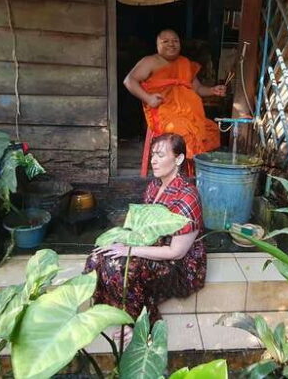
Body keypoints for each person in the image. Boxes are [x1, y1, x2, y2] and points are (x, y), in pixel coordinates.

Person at [84, 133, 207, 335]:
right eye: (152, 155)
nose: (153, 160)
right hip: (154, 246)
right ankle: (113, 310)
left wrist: (130, 250)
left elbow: (176, 252)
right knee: (98, 255)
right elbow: (140, 226)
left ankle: (141, 322)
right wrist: (120, 241)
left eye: (160, 155)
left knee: (120, 265)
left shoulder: (187, 196)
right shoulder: (154, 186)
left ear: (178, 159)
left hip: (181, 267)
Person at [123, 29, 225, 172]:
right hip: (164, 112)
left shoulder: (185, 63)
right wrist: (148, 98)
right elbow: (129, 80)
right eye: (165, 41)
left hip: (190, 114)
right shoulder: (150, 61)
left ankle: (195, 172)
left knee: (211, 129)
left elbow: (197, 88)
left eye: (175, 41)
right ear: (157, 44)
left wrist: (212, 90)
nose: (171, 44)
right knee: (183, 132)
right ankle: (180, 174)